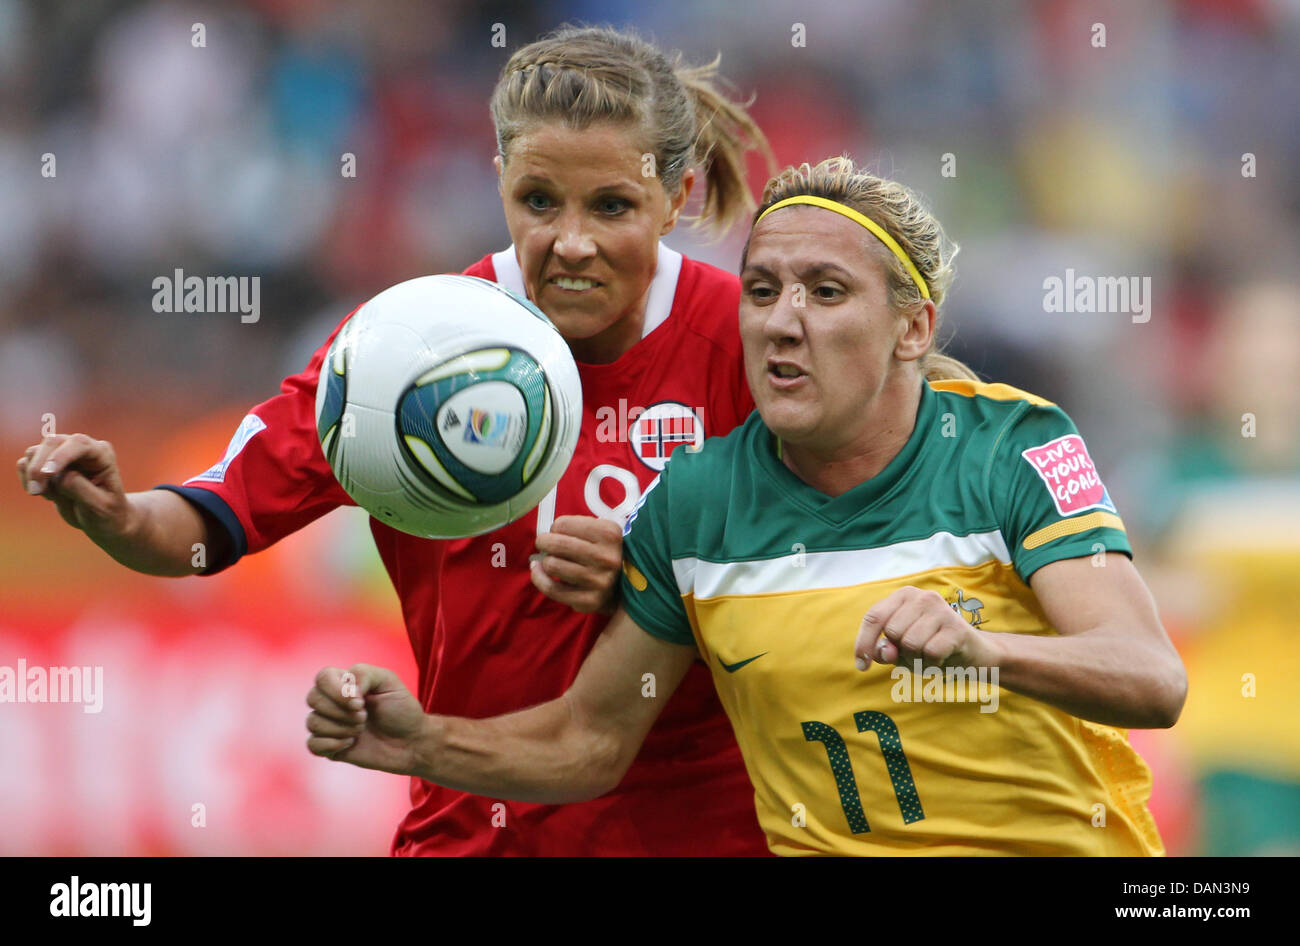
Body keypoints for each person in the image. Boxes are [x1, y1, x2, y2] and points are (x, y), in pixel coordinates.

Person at [17, 26, 779, 856]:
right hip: (472, 835)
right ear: (499, 185)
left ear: (677, 196)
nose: (571, 242)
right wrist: (118, 517)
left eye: (612, 207)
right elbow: (210, 524)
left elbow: (833, 593)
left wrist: (656, 588)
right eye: (538, 201)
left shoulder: (750, 347)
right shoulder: (407, 348)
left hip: (707, 837)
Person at [304, 156, 1188, 856]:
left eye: (826, 292)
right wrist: (422, 743)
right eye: (762, 291)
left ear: (913, 328)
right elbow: (591, 739)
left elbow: (1151, 678)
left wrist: (982, 651)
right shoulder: (697, 500)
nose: (780, 321)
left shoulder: (1011, 445)